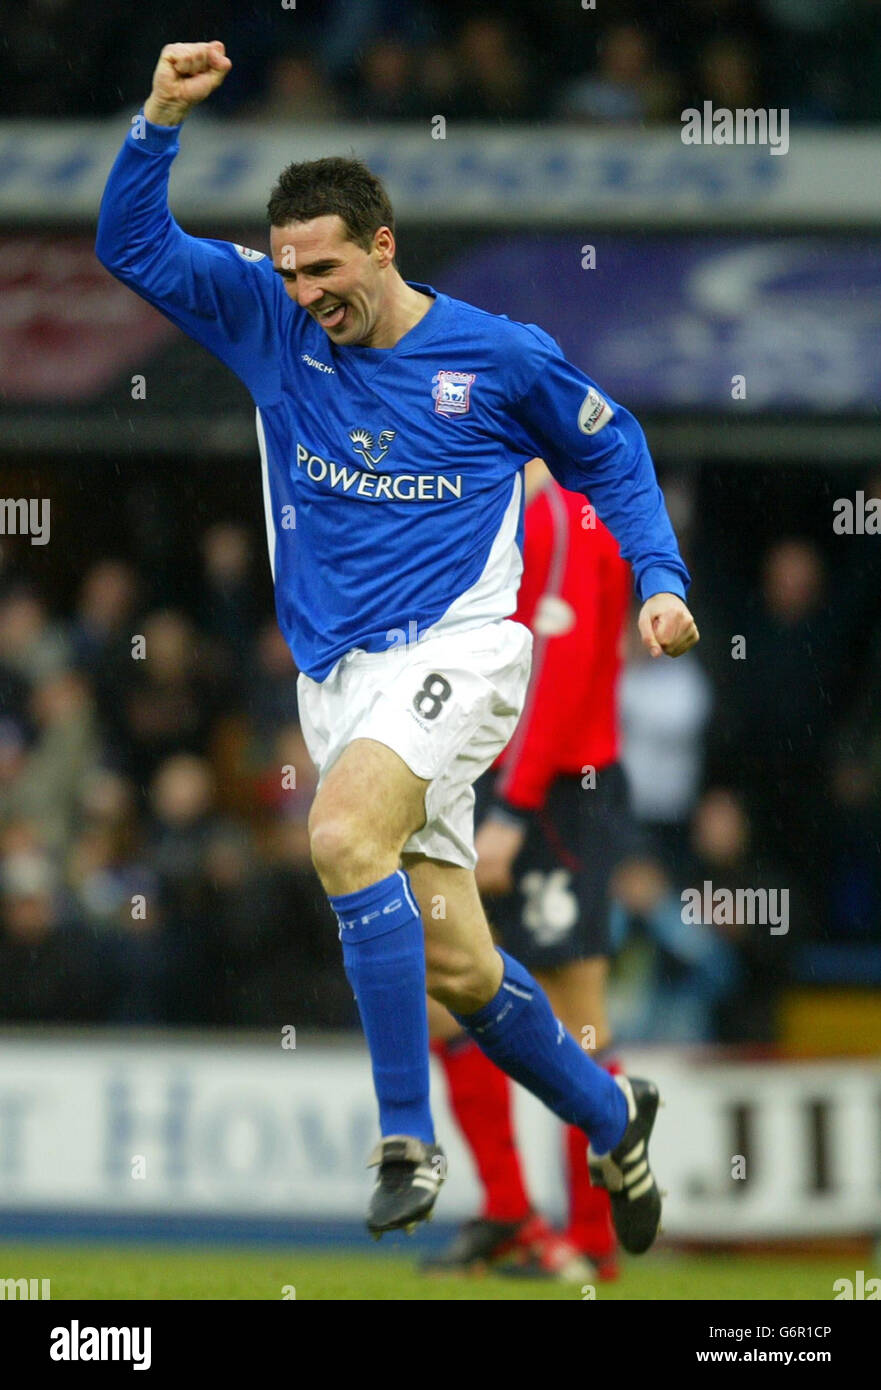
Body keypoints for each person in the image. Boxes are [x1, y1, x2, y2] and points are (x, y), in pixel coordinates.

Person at [96, 41, 699, 1245]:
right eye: (289, 269)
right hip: (341, 681)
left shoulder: (495, 356)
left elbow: (610, 443)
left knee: (336, 833)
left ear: (382, 246)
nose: (307, 290)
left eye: (325, 267)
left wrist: (658, 578)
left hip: (462, 653)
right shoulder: (271, 316)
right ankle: (612, 1115)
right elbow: (132, 245)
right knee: (462, 971)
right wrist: (158, 117)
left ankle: (401, 1137)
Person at [426, 457, 633, 1280]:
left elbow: (559, 675)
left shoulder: (563, 521)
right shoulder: (517, 518)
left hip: (553, 799)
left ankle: (589, 1238)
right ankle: (509, 1211)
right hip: (493, 786)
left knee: (575, 1008)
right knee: (445, 994)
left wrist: (511, 809)